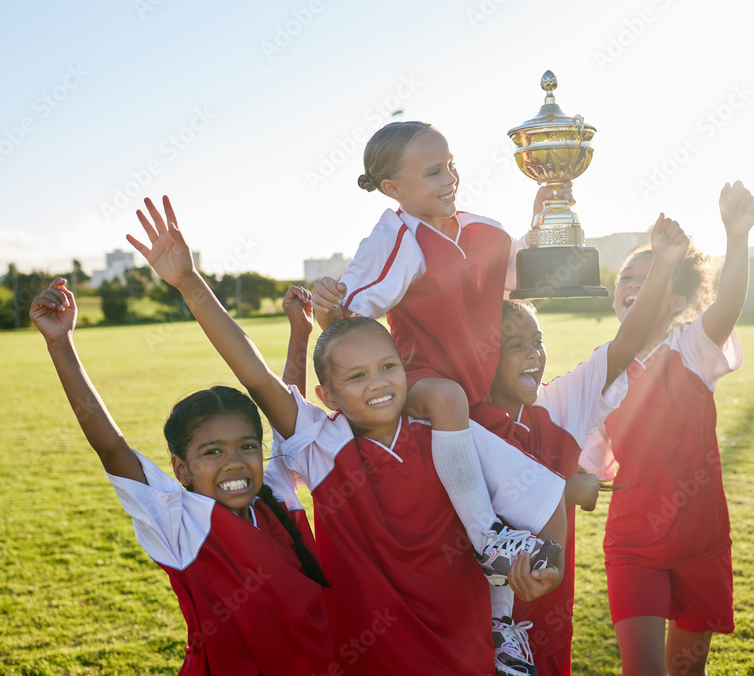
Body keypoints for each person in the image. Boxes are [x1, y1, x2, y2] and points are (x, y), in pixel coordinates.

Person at [127, 195, 568, 676]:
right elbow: (254, 373)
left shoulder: (449, 436)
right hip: (371, 659)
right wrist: (190, 283)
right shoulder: (322, 446)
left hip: (467, 655)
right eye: (355, 377)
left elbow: (546, 501)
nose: (378, 383)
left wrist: (546, 572)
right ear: (327, 394)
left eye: (387, 367)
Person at [311, 121, 570, 674]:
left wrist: (550, 218)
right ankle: (486, 540)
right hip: (417, 389)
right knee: (450, 399)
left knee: (547, 500)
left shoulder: (485, 230)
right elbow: (352, 314)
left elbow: (518, 277)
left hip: (473, 406)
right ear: (392, 189)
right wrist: (326, 304)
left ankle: (501, 625)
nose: (450, 177)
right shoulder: (395, 237)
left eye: (451, 163)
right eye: (432, 171)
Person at [29, 279, 334, 675]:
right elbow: (111, 447)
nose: (234, 462)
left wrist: (300, 331)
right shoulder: (180, 521)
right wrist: (60, 343)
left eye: (246, 446)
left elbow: (285, 403)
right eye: (212, 451)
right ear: (181, 469)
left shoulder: (275, 493)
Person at [472, 215, 690, 675]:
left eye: (538, 341)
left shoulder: (556, 405)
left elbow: (624, 345)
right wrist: (568, 489)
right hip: (473, 628)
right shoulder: (459, 423)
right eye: (514, 345)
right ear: (483, 355)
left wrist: (664, 266)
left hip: (548, 623)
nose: (533, 353)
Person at [594, 181, 754, 676]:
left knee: (687, 671)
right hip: (633, 545)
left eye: (650, 278)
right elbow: (584, 464)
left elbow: (729, 300)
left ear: (677, 301)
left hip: (702, 543)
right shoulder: (599, 374)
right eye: (627, 275)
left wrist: (737, 234)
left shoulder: (692, 349)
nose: (632, 285)